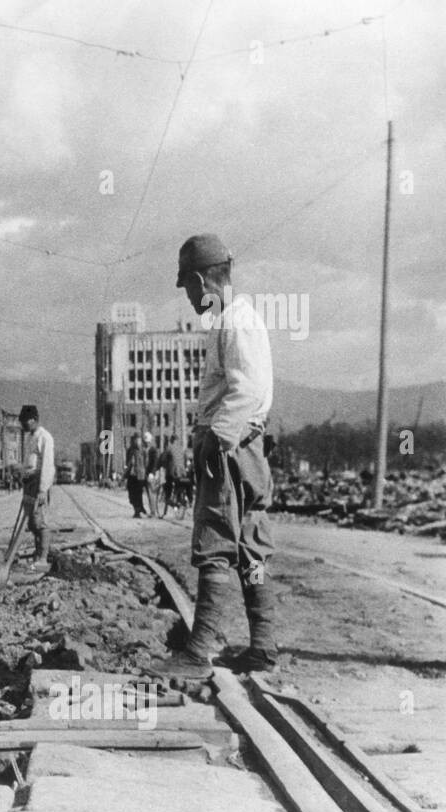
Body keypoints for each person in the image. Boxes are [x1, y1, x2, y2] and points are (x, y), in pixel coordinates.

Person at [156, 234, 276, 679]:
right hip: (246, 445)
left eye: (188, 288)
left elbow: (246, 389)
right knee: (251, 548)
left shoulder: (234, 321)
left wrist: (215, 436)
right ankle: (263, 646)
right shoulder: (238, 319)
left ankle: (199, 651)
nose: (189, 299)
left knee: (214, 544)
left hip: (229, 445)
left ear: (203, 279)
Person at [18, 405, 55, 569]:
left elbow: (47, 465)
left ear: (32, 420)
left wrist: (42, 489)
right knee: (32, 522)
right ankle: (37, 553)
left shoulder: (45, 437)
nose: (23, 425)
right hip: (29, 483)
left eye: (25, 422)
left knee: (40, 521)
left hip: (39, 482)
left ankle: (43, 557)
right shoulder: (29, 437)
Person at [160, 435, 188, 512]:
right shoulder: (182, 449)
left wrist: (164, 466)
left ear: (171, 440)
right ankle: (180, 499)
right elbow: (186, 460)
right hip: (182, 473)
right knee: (179, 484)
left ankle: (168, 498)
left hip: (173, 472)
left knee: (168, 483)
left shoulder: (169, 448)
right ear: (178, 440)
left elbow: (163, 459)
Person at [125, 435, 148, 517]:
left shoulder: (143, 451)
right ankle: (139, 508)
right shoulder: (130, 451)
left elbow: (146, 463)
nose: (137, 442)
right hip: (131, 475)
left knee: (138, 493)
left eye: (139, 440)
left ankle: (138, 511)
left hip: (140, 475)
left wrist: (146, 474)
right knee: (131, 494)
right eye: (136, 440)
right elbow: (128, 462)